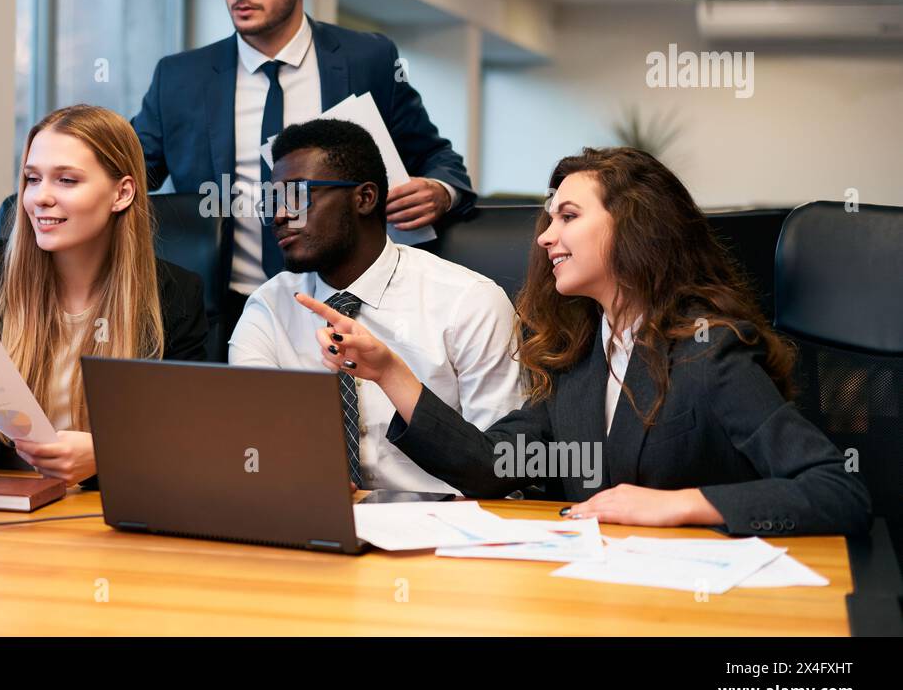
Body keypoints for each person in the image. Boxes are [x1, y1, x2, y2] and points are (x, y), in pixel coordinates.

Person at [297, 147, 872, 535]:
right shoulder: (579, 358)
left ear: (635, 225)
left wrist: (680, 504)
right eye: (548, 220)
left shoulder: (708, 352)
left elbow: (837, 490)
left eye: (568, 216)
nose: (546, 237)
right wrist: (389, 372)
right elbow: (488, 467)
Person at [131, 0, 474, 346]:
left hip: (351, 304)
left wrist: (440, 191)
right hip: (228, 309)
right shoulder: (179, 77)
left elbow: (437, 157)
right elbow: (128, 172)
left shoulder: (367, 59)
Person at [0, 104, 208, 484]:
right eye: (33, 179)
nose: (39, 198)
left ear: (122, 193)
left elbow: (185, 436)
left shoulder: (175, 297)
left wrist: (106, 453)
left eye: (66, 180)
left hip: (89, 519)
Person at [229, 118, 520, 493]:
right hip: (316, 518)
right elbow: (249, 438)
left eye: (298, 197)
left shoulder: (469, 301)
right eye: (273, 201)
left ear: (364, 198)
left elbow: (501, 468)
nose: (280, 216)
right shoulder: (269, 306)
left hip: (446, 525)